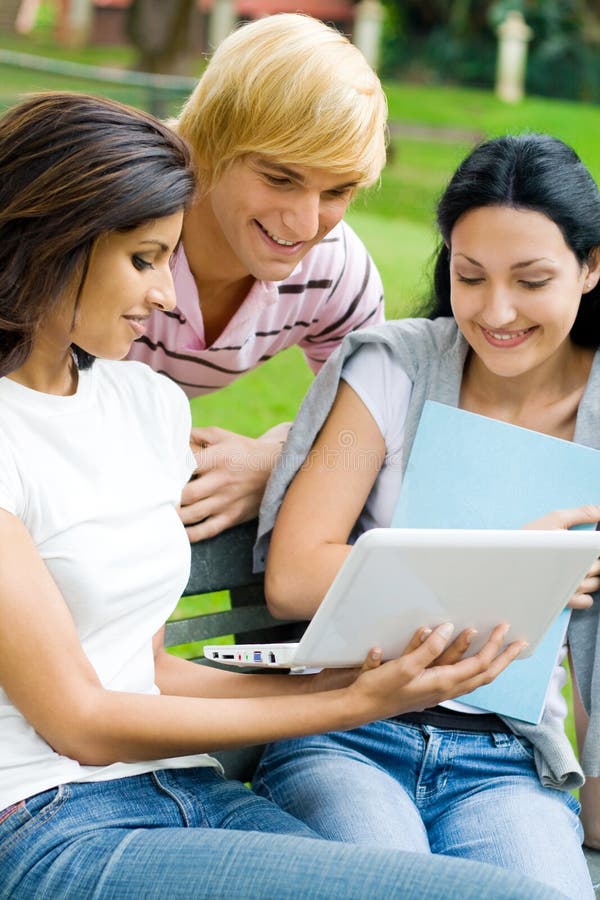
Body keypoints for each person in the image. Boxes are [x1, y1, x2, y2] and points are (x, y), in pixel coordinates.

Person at [0, 92, 559, 900]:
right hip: (46, 823)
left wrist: (373, 684)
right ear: (54, 240)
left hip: (192, 795)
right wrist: (348, 705)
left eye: (168, 258)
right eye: (144, 259)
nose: (166, 296)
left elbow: (149, 670)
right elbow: (81, 720)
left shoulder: (145, 405)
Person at [252, 133, 600, 899]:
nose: (496, 311)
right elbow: (296, 574)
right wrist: (510, 566)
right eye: (470, 276)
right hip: (346, 732)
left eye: (532, 280)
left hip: (505, 762)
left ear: (592, 266)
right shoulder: (394, 368)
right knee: (400, 887)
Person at [126, 13, 388, 542]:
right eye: (279, 178)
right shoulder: (114, 220)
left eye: (337, 191)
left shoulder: (334, 268)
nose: (306, 222)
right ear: (205, 144)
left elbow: (376, 426)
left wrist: (271, 461)